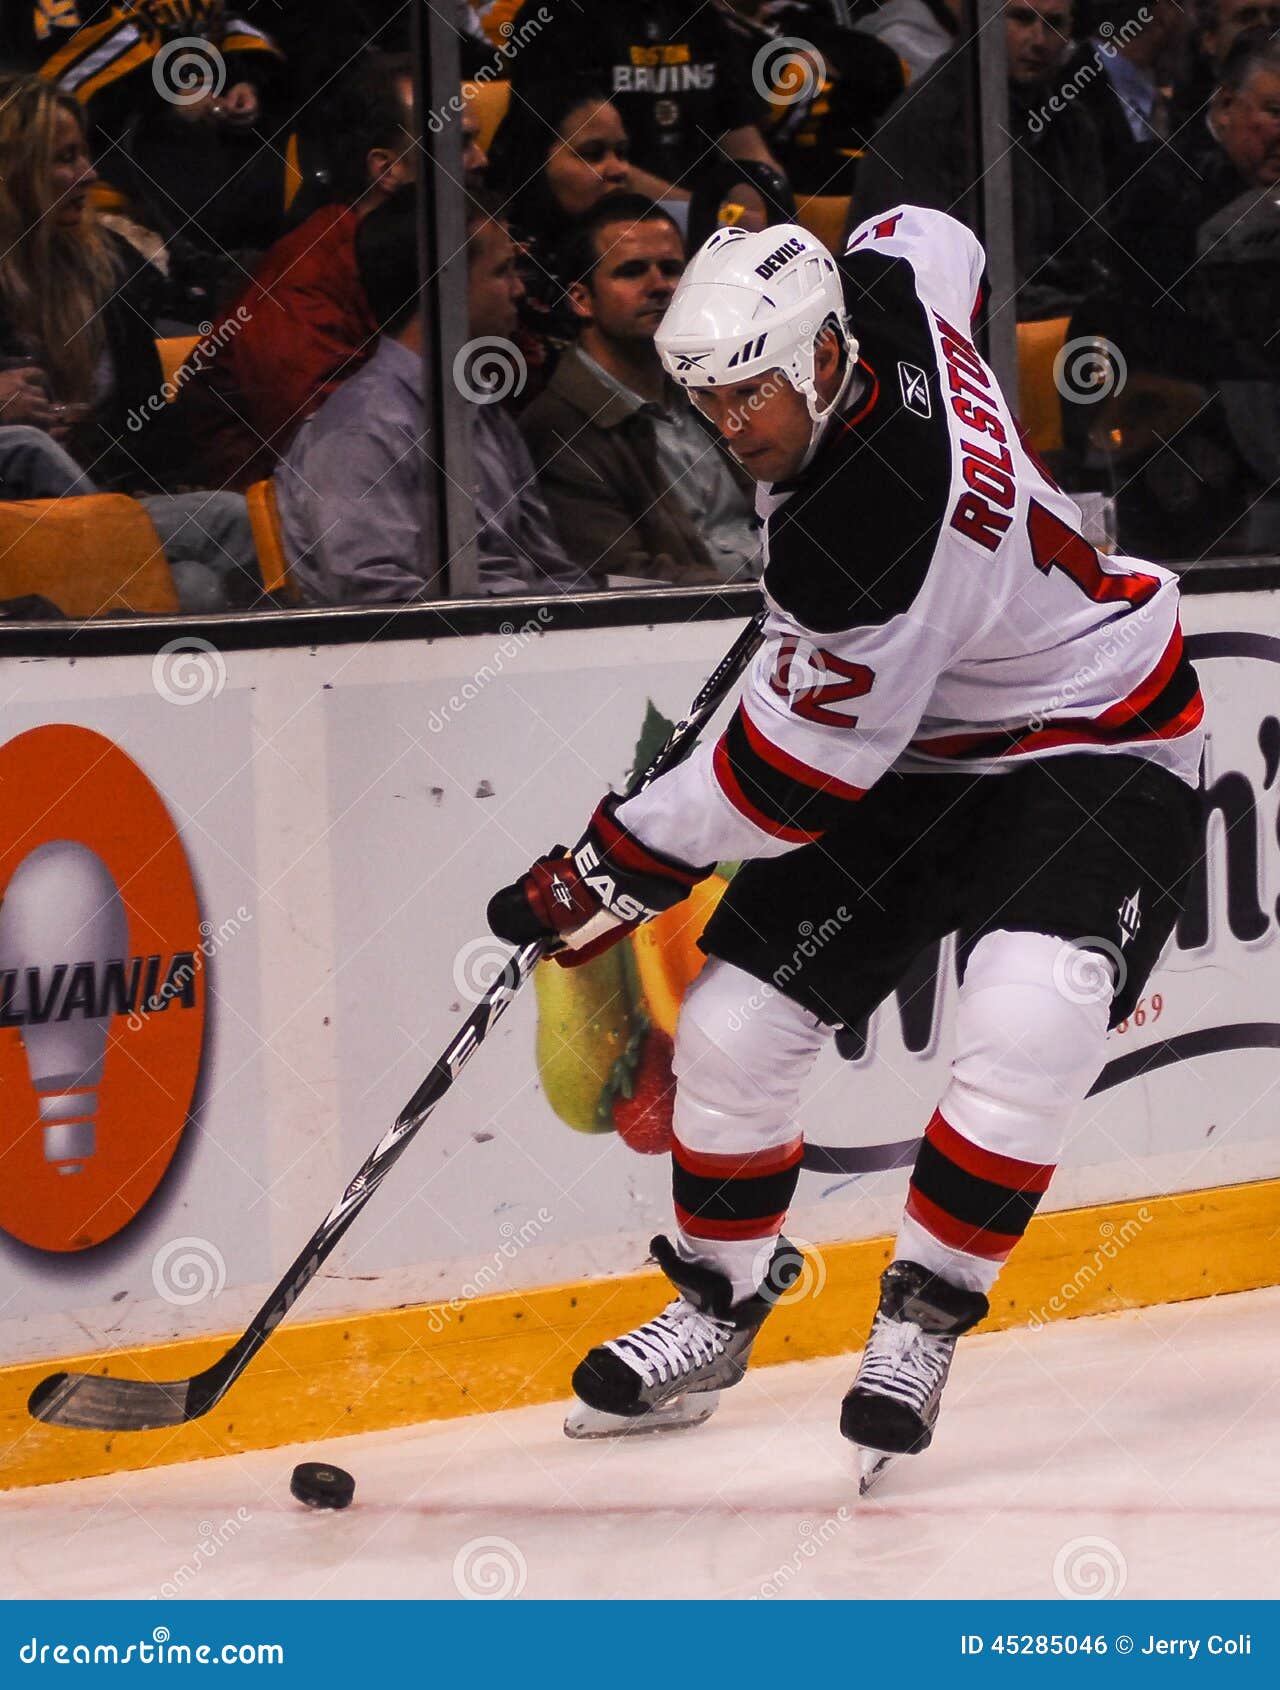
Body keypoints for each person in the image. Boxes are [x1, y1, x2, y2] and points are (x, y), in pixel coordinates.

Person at [487, 208, 1204, 1482]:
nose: (727, 426)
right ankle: (712, 1307)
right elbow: (935, 229)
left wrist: (605, 866)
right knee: (728, 1031)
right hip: (926, 741)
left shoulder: (856, 536)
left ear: (824, 354)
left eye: (748, 393)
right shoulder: (884, 290)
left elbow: (780, 786)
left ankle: (923, 1313)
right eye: (703, 395)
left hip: (1094, 726)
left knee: (1029, 1017)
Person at [0, 73, 259, 609]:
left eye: (84, 155)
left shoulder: (108, 262)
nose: (88, 174)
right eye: (63, 159)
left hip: (101, 503)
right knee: (230, 523)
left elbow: (152, 411)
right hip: (17, 528)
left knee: (197, 585)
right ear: (12, 171)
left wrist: (167, 480)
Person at [275, 191, 585, 603]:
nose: (517, 291)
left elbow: (549, 569)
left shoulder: (484, 410)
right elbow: (378, 604)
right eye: (503, 271)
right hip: (442, 657)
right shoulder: (361, 432)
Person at [172, 52, 421, 490]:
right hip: (258, 530)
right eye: (459, 143)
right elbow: (336, 460)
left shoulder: (451, 255)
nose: (479, 161)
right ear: (388, 168)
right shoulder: (303, 281)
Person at [520, 194, 758, 586]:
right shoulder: (558, 427)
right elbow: (622, 578)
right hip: (698, 630)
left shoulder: (711, 386)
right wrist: (771, 590)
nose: (659, 286)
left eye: (671, 268)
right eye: (632, 271)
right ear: (581, 300)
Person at [852, 0, 1110, 320]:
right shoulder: (929, 120)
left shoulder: (1073, 124)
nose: (1039, 40)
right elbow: (932, 280)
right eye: (1021, 18)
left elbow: (1092, 253)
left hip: (1052, 323)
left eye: (1054, 24)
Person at [506, 0, 782, 201]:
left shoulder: (702, 17)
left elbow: (745, 145)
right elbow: (590, 165)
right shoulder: (557, 17)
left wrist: (772, 207)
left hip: (705, 217)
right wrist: (705, 217)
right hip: (604, 218)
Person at [714, 0, 906, 195]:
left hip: (866, 160)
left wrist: (812, 68)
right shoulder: (709, 34)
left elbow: (889, 69)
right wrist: (806, 72)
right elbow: (762, 118)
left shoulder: (790, 16)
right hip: (800, 179)